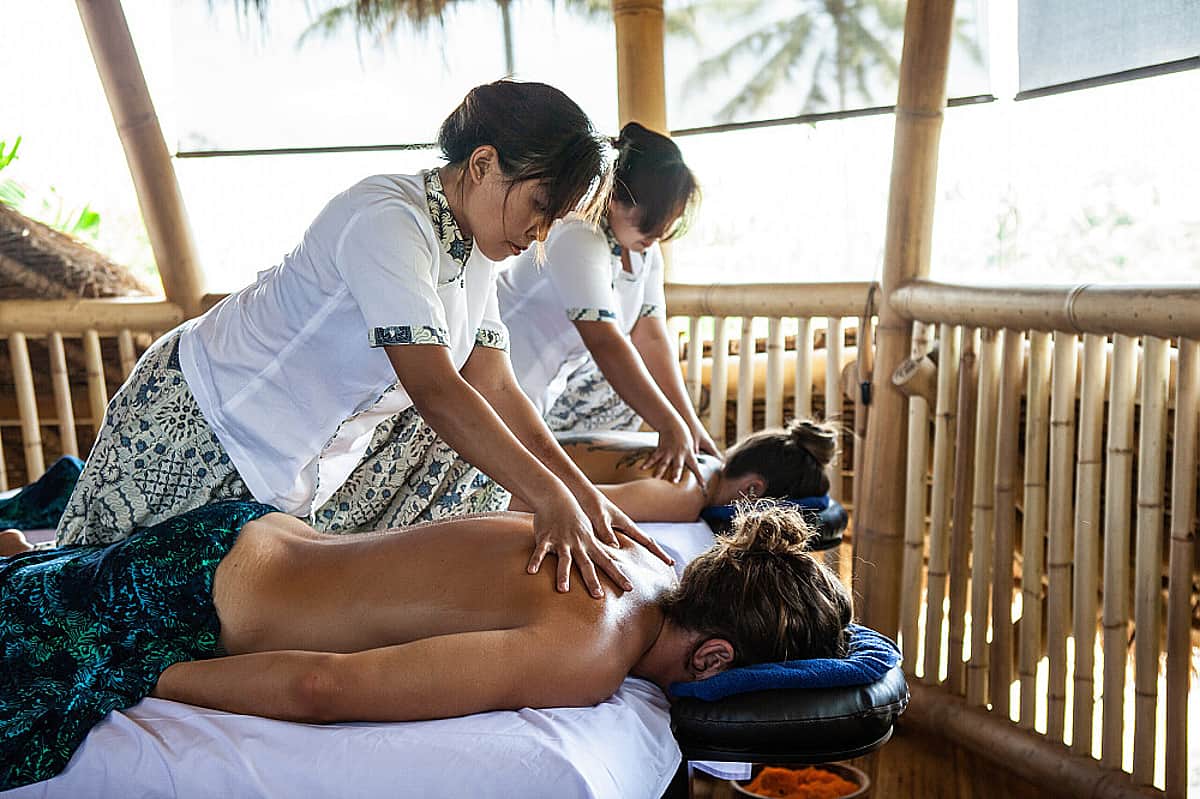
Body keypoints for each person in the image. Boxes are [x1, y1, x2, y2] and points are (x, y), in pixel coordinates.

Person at [55, 80, 667, 598]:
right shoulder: (386, 217)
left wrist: (581, 496)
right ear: (482, 165)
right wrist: (547, 497)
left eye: (552, 221)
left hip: (292, 466)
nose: (537, 236)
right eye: (538, 205)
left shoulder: (477, 252)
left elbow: (497, 386)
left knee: (483, 456)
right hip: (200, 419)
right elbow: (437, 391)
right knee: (88, 597)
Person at [0, 501, 852, 790]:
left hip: (240, 533)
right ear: (712, 660)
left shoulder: (628, 552)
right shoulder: (589, 652)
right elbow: (323, 691)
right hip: (186, 599)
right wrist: (143, 675)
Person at [496, 122, 716, 486]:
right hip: (503, 377)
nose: (660, 231)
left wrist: (689, 423)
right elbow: (606, 341)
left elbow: (651, 338)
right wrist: (666, 422)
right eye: (653, 218)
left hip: (543, 389)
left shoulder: (643, 248)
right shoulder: (577, 235)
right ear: (615, 197)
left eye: (669, 219)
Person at [510, 419, 839, 523]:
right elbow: (552, 503)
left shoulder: (700, 458)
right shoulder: (686, 494)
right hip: (493, 476)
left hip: (507, 444)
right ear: (753, 490)